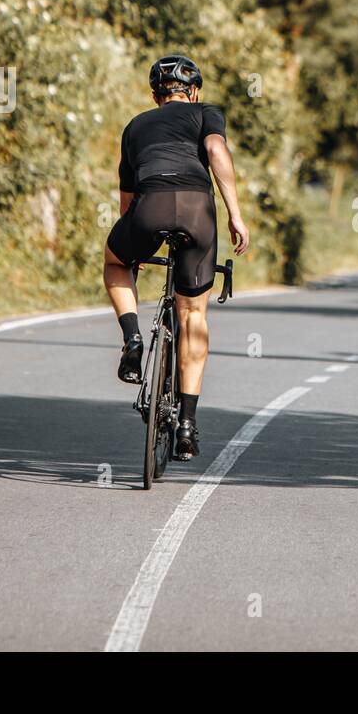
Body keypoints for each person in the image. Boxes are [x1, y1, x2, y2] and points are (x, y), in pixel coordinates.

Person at [103, 54, 249, 460]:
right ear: (194, 91)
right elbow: (216, 151)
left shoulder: (135, 126)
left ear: (155, 96)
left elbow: (126, 201)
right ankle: (186, 424)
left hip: (149, 206)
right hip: (197, 212)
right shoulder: (206, 113)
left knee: (116, 262)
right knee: (193, 317)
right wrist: (236, 214)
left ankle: (132, 339)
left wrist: (138, 243)